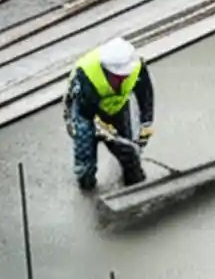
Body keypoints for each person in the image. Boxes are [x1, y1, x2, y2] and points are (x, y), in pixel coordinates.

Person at [62, 37, 155, 190]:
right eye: (117, 77)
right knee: (85, 167)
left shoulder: (137, 68)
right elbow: (85, 110)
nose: (122, 80)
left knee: (130, 154)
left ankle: (135, 188)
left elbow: (145, 96)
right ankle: (87, 183)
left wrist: (146, 124)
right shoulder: (87, 74)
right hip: (87, 115)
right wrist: (103, 131)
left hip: (117, 109)